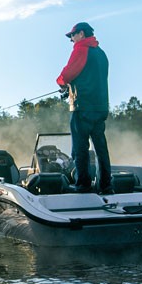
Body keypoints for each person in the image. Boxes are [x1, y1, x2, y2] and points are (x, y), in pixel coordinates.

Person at [57, 22, 112, 193]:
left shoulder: (81, 49)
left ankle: (83, 185)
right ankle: (105, 185)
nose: (71, 40)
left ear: (81, 34)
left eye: (72, 36)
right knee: (101, 148)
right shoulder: (101, 53)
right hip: (101, 107)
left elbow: (67, 74)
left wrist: (61, 83)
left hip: (82, 107)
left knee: (80, 148)